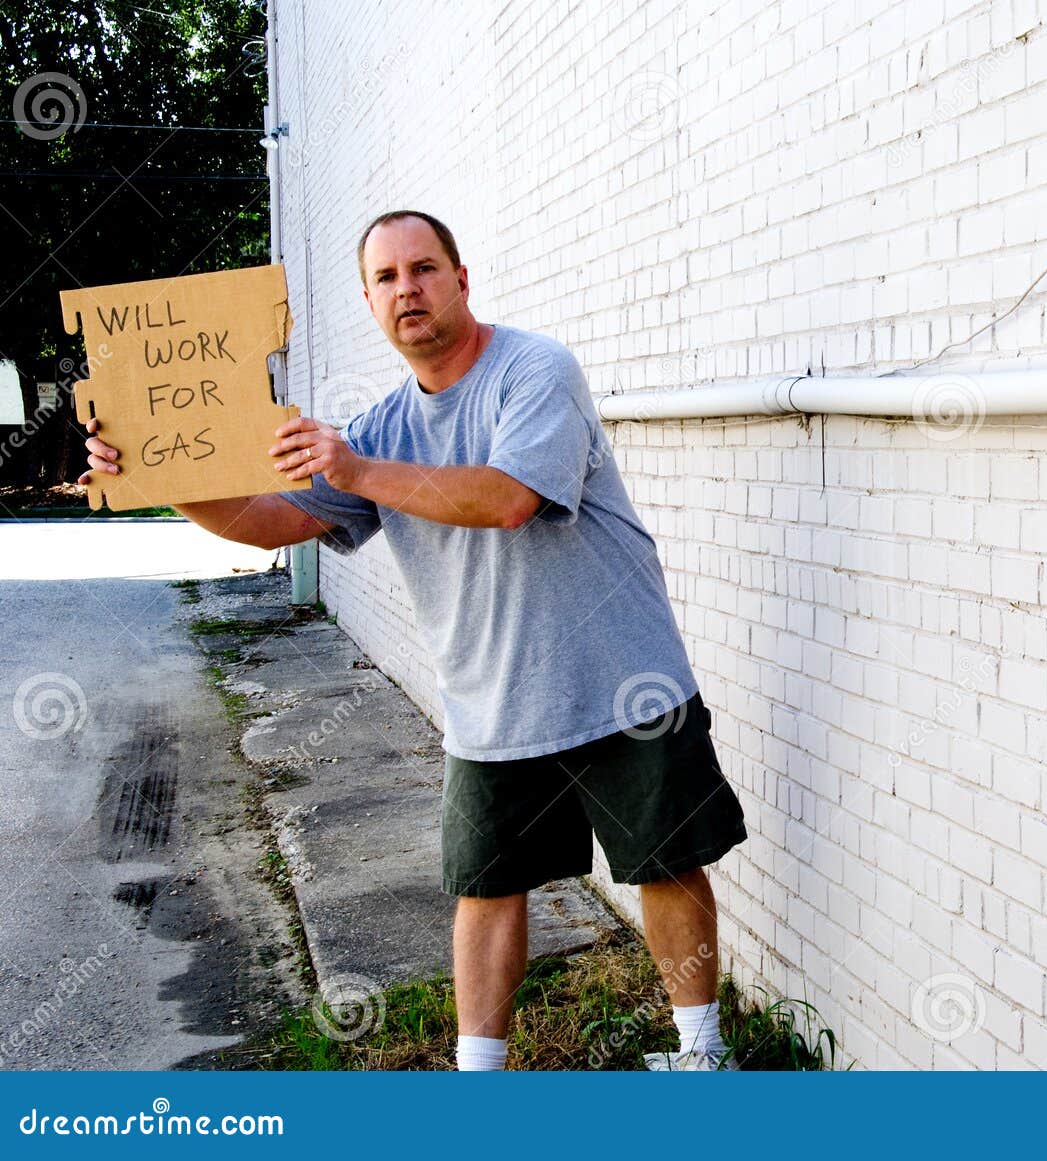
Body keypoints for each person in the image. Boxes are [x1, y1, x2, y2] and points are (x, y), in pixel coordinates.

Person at [80, 209, 748, 1072]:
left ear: (460, 279)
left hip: (619, 674)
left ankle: (703, 1056)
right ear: (368, 301)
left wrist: (352, 468)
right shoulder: (379, 427)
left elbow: (507, 497)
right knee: (484, 887)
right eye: (388, 278)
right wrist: (162, 474)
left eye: (424, 269)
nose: (409, 290)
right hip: (491, 698)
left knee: (665, 863)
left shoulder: (533, 370)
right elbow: (269, 518)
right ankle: (479, 1086)